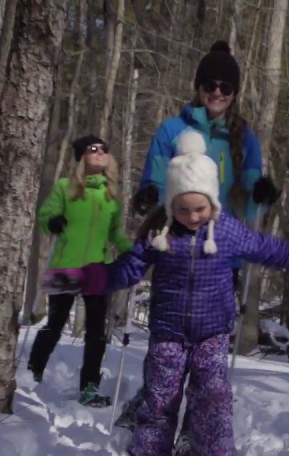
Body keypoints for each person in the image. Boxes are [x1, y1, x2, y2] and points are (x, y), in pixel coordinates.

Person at [107, 130, 289, 456]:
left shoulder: (227, 232)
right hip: (167, 332)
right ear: (171, 205)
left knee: (213, 395)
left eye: (200, 208)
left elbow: (269, 249)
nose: (192, 216)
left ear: (212, 201)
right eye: (183, 209)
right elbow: (131, 267)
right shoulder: (161, 233)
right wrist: (97, 277)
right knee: (160, 398)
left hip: (212, 333)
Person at [116, 40, 280, 428]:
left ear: (235, 92)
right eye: (210, 84)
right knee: (167, 340)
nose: (217, 92)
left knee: (209, 348)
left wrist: (261, 195)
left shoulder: (245, 139)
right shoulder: (172, 130)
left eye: (226, 87)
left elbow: (249, 202)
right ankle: (150, 404)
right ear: (198, 86)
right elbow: (156, 178)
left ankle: (194, 425)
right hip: (174, 247)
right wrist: (148, 195)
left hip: (220, 254)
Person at [26, 134, 133, 407]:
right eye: (92, 149)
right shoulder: (65, 187)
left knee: (96, 331)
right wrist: (53, 221)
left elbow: (115, 233)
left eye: (103, 148)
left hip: (97, 268)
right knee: (55, 324)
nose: (99, 152)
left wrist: (131, 250)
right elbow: (45, 216)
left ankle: (90, 387)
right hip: (65, 264)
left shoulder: (111, 195)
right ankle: (32, 372)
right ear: (81, 157)